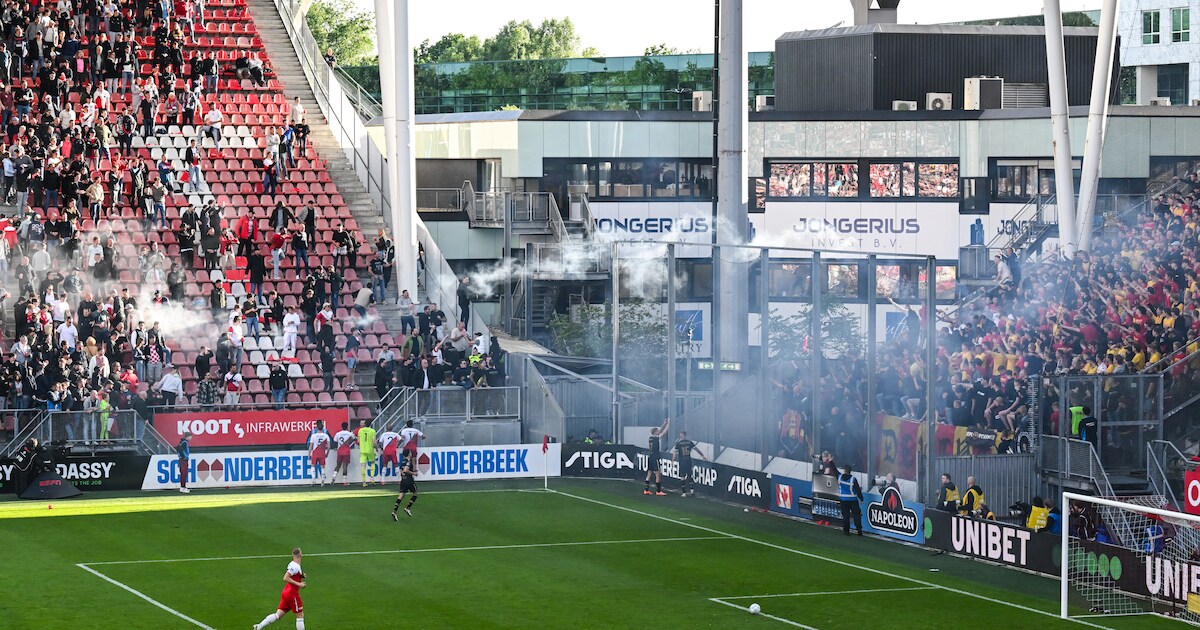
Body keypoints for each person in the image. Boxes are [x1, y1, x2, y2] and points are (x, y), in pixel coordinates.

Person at [251, 548, 306, 630]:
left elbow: (293, 575)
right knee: (300, 615)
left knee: (278, 615)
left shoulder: (293, 564)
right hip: (292, 594)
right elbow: (285, 578)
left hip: (286, 592)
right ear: (301, 555)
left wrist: (301, 576)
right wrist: (299, 584)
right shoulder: (295, 566)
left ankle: (259, 626)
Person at [672, 430, 706, 496]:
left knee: (682, 476)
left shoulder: (678, 444)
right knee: (689, 475)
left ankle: (684, 492)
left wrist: (673, 460)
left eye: (681, 435)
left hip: (682, 462)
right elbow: (696, 449)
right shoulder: (689, 442)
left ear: (683, 436)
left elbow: (675, 452)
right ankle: (692, 490)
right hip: (688, 460)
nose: (680, 436)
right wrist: (703, 455)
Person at [643, 417, 669, 496]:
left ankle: (646, 490)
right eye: (657, 431)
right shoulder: (655, 438)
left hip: (650, 457)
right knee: (658, 474)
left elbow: (661, 431)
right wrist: (667, 424)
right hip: (655, 457)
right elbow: (663, 432)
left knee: (649, 473)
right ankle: (658, 491)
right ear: (655, 432)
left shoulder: (650, 438)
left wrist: (664, 424)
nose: (658, 431)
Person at [390, 452, 419, 520]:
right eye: (410, 452)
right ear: (409, 454)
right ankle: (408, 508)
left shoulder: (402, 461)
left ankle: (394, 511)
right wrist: (413, 473)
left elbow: (401, 470)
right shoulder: (408, 462)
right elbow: (406, 470)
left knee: (401, 496)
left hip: (403, 480)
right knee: (415, 493)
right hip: (409, 480)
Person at [838, 464, 864, 536]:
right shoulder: (853, 479)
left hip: (843, 500)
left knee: (846, 516)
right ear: (850, 471)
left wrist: (830, 462)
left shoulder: (840, 477)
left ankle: (846, 531)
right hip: (853, 500)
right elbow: (858, 490)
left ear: (844, 470)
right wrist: (861, 499)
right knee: (856, 515)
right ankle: (859, 530)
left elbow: (834, 470)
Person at [307, 420, 331, 486]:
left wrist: (309, 454)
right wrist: (327, 453)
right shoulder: (326, 435)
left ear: (316, 427)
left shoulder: (314, 435)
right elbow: (329, 446)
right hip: (322, 453)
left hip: (315, 452)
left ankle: (313, 480)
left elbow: (311, 446)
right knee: (322, 467)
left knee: (313, 466)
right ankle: (322, 481)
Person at [332, 422, 356, 486]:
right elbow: (354, 439)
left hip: (340, 450)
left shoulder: (338, 434)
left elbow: (335, 441)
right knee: (345, 466)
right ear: (347, 427)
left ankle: (334, 477)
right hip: (346, 450)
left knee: (338, 465)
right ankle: (344, 481)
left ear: (342, 427)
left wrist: (335, 447)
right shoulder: (349, 433)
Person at [357, 419, 377, 487]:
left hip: (362, 450)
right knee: (372, 463)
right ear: (371, 424)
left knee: (363, 466)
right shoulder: (372, 431)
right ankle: (371, 478)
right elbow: (374, 441)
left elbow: (358, 441)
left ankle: (364, 482)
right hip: (370, 449)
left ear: (365, 424)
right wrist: (376, 447)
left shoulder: (360, 430)